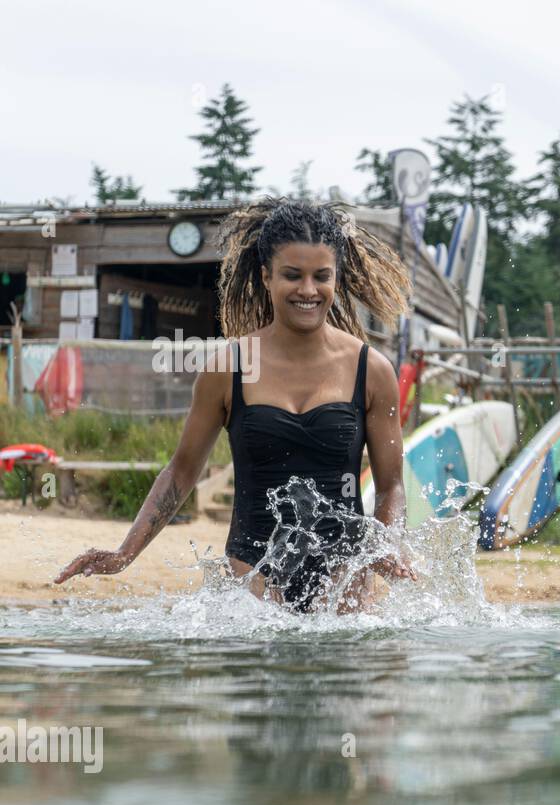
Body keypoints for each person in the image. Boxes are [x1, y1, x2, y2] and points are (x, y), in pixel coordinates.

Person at [56, 199, 415, 611]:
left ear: (336, 279)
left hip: (344, 584)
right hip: (252, 580)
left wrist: (387, 547)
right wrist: (124, 553)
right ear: (266, 276)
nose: (308, 290)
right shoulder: (228, 368)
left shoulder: (372, 370)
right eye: (292, 276)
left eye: (322, 277)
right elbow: (181, 471)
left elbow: (391, 486)